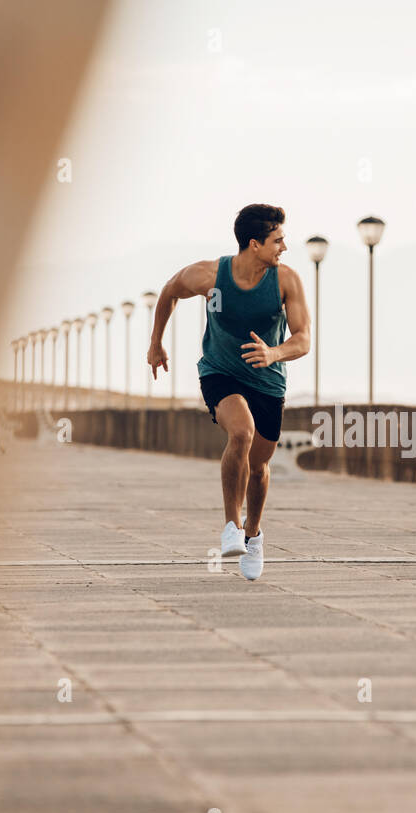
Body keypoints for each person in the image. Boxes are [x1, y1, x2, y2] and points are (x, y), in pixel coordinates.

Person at [148, 204, 311, 581]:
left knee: (259, 467)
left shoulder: (286, 281)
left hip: (268, 379)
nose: (284, 247)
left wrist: (274, 353)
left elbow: (303, 339)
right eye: (278, 240)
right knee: (241, 432)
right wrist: (155, 343)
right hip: (220, 372)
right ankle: (230, 526)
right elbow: (170, 291)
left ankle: (253, 534)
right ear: (254, 244)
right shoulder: (209, 275)